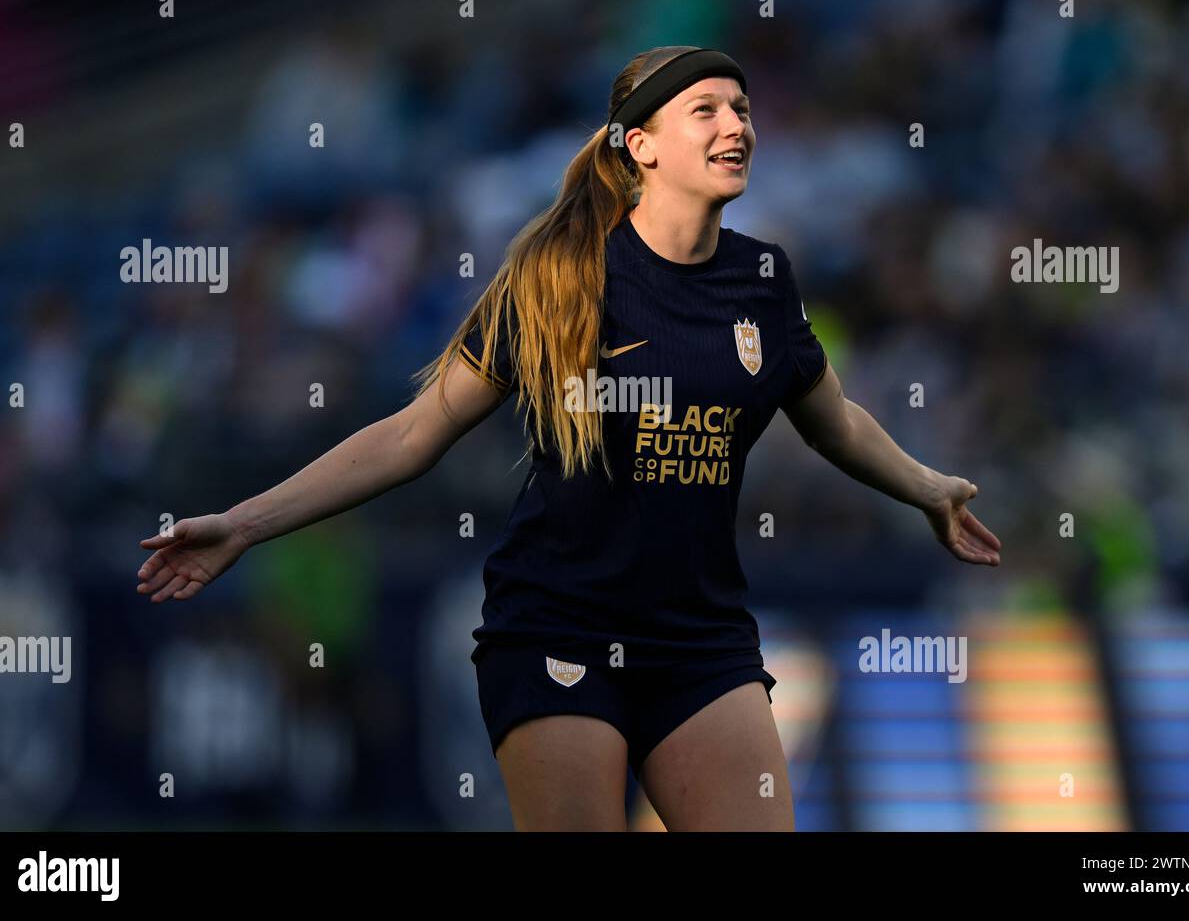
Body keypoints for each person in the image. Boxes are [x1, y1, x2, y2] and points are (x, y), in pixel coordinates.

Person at [136, 46, 1002, 831]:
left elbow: (834, 419)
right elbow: (412, 435)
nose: (736, 124)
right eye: (705, 109)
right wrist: (244, 525)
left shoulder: (762, 279)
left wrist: (927, 486)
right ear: (642, 146)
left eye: (741, 107)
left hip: (702, 638)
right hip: (560, 629)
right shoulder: (557, 275)